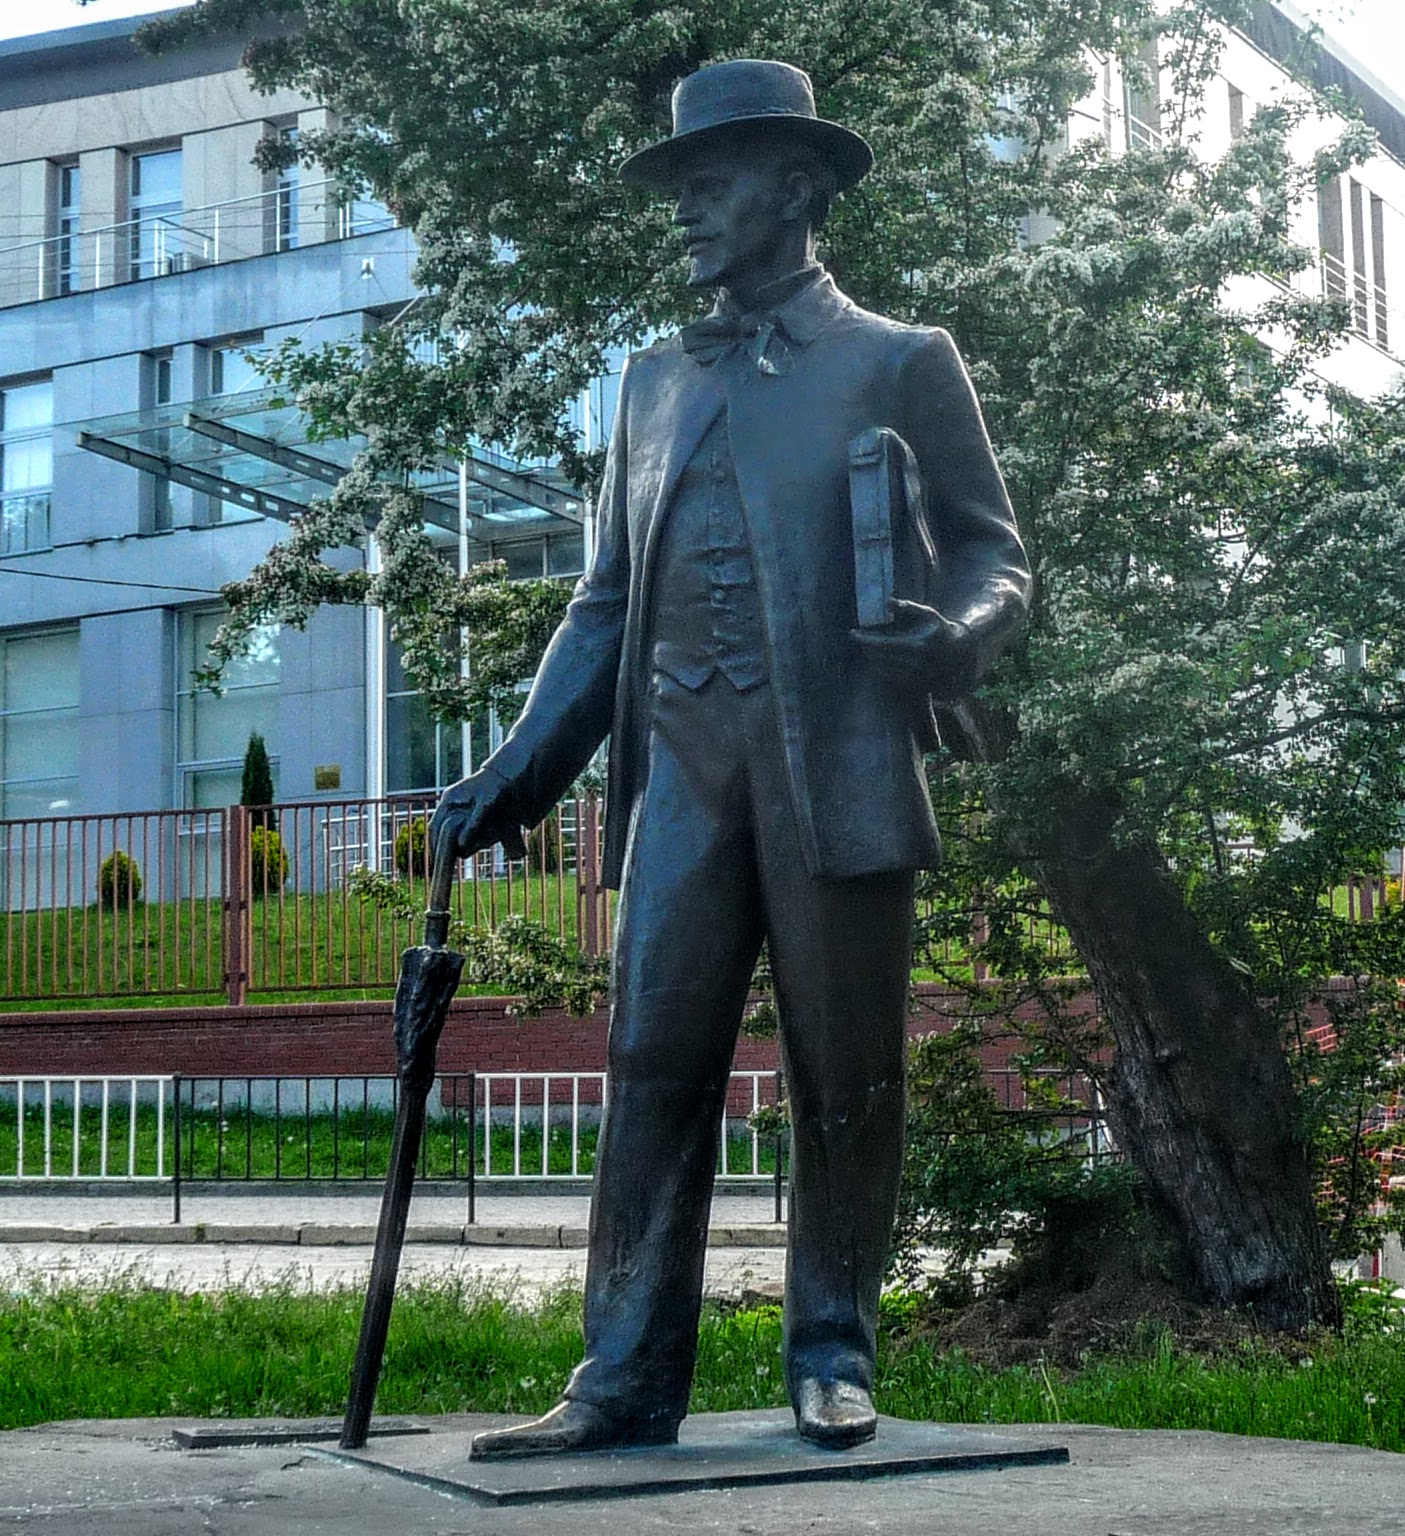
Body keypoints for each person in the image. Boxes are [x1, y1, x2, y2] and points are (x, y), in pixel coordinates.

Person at [430, 58, 1031, 1459]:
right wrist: (519, 768)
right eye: (682, 187)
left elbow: (994, 544)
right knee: (650, 1064)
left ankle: (831, 1349)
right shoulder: (647, 380)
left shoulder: (897, 357)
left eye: (711, 185)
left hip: (839, 760)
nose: (688, 212)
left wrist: (961, 630)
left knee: (845, 1073)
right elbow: (603, 601)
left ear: (797, 187)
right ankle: (623, 1376)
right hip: (686, 768)